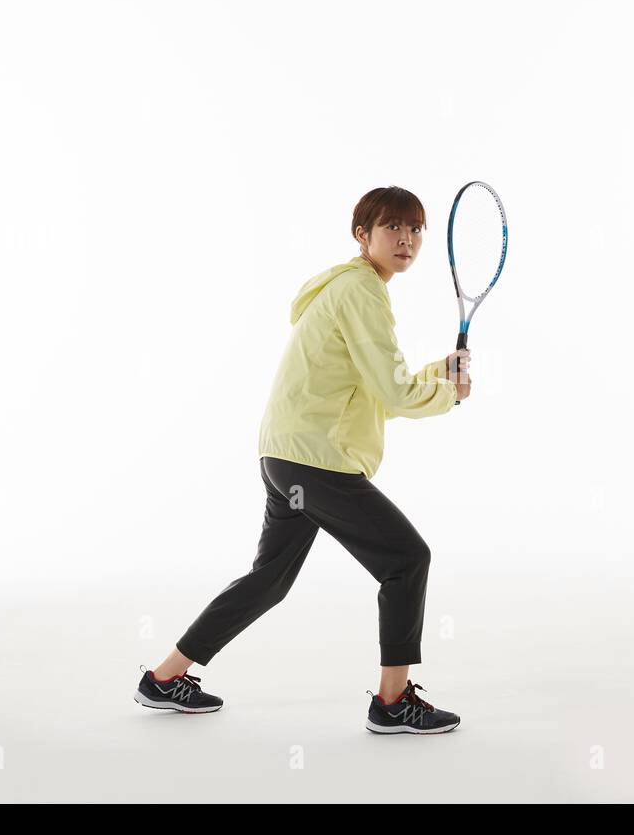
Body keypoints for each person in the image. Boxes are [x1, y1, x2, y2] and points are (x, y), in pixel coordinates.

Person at [133, 186, 470, 734]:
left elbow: (371, 379)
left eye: (415, 229)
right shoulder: (362, 290)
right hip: (316, 461)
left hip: (286, 456)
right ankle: (392, 703)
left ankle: (164, 678)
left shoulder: (345, 286)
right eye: (392, 227)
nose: (406, 239)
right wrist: (449, 393)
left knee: (269, 579)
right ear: (362, 235)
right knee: (406, 559)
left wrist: (439, 371)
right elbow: (392, 394)